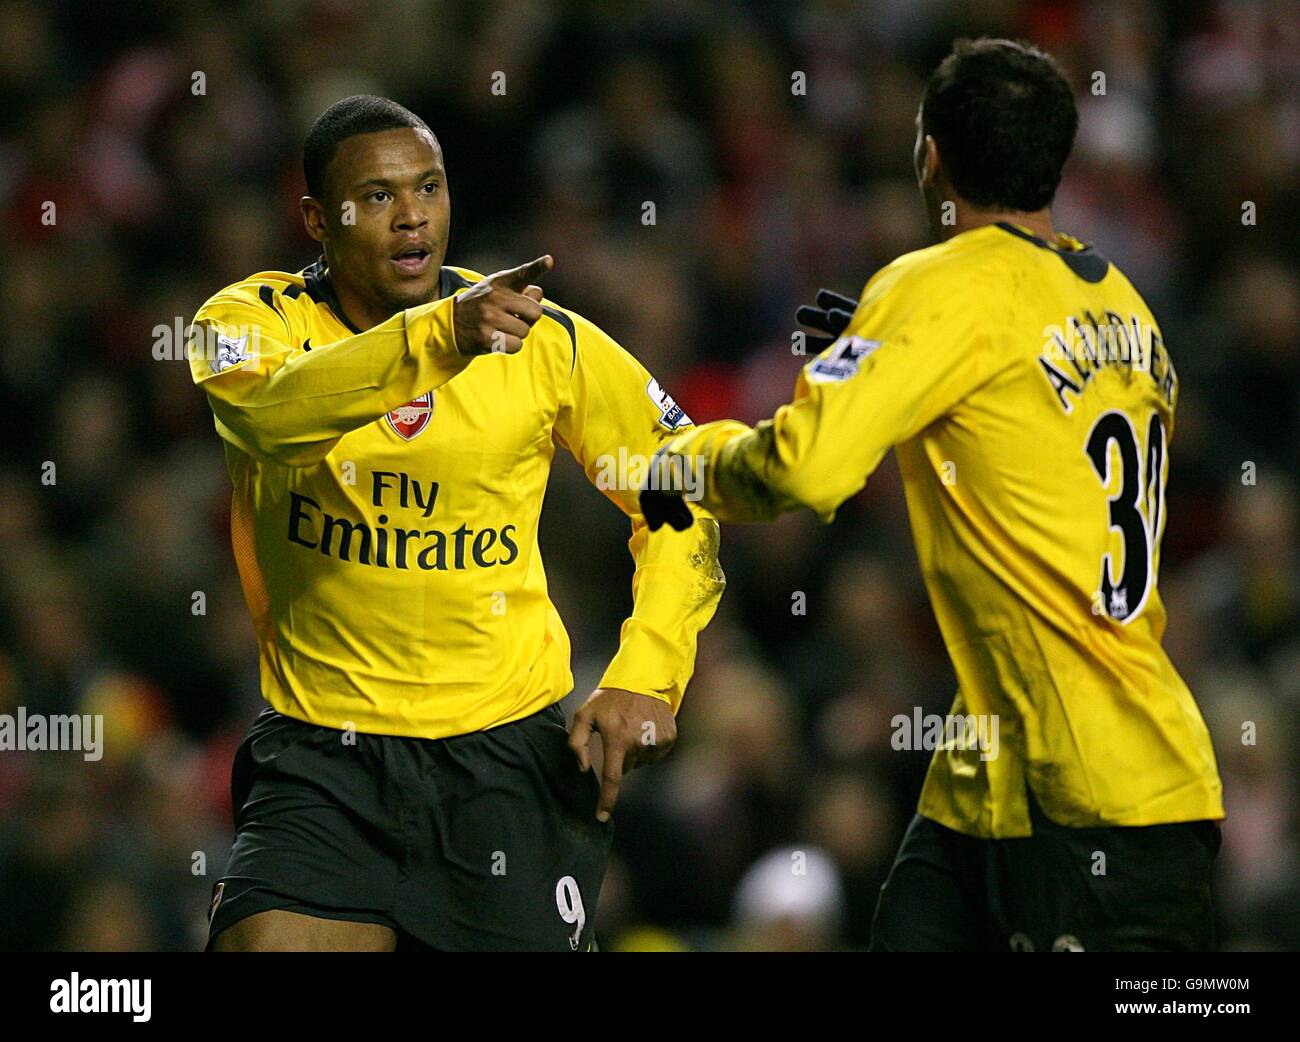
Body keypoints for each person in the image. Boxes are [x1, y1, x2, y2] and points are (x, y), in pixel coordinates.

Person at [640, 38, 1224, 951]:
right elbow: (1029, 447)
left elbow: (805, 470)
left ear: (932, 154)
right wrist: (894, 366)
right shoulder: (1126, 305)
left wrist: (685, 462)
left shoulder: (938, 286)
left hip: (1085, 804)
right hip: (1017, 782)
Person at [189, 95, 725, 951]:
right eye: (376, 197)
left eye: (429, 187)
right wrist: (440, 338)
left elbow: (679, 494)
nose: (412, 217)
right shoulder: (248, 324)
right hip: (327, 757)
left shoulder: (544, 342)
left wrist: (647, 675)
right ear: (316, 220)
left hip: (504, 760)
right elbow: (275, 417)